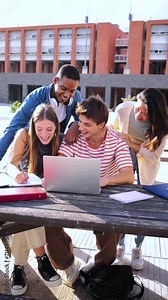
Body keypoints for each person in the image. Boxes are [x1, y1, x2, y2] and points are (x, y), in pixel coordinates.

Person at [44, 95, 134, 286]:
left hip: (104, 195)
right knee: (47, 220)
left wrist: (105, 180)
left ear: (101, 125)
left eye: (87, 124)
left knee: (113, 225)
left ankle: (99, 265)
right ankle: (67, 263)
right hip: (74, 192)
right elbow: (60, 161)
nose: (81, 127)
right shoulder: (76, 136)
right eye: (80, 122)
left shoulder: (116, 140)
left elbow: (128, 175)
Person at [5, 104, 62, 296]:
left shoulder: (59, 141)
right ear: (33, 126)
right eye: (39, 129)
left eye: (49, 129)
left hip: (46, 197)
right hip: (23, 191)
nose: (44, 134)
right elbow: (10, 165)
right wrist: (17, 175)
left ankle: (18, 268)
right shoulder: (23, 135)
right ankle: (41, 257)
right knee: (28, 214)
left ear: (56, 127)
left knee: (27, 217)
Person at [113, 87, 168, 270]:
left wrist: (132, 144)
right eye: (139, 108)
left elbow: (153, 156)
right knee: (121, 204)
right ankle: (120, 246)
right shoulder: (123, 110)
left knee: (140, 208)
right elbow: (112, 134)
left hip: (145, 167)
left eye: (145, 114)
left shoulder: (162, 128)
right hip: (123, 160)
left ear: (155, 115)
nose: (139, 115)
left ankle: (137, 247)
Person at [0, 64, 82, 161]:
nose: (67, 95)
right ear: (55, 81)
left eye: (72, 91)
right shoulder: (36, 97)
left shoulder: (75, 97)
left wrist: (76, 124)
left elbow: (84, 118)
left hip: (54, 148)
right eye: (63, 89)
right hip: (33, 147)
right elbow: (14, 127)